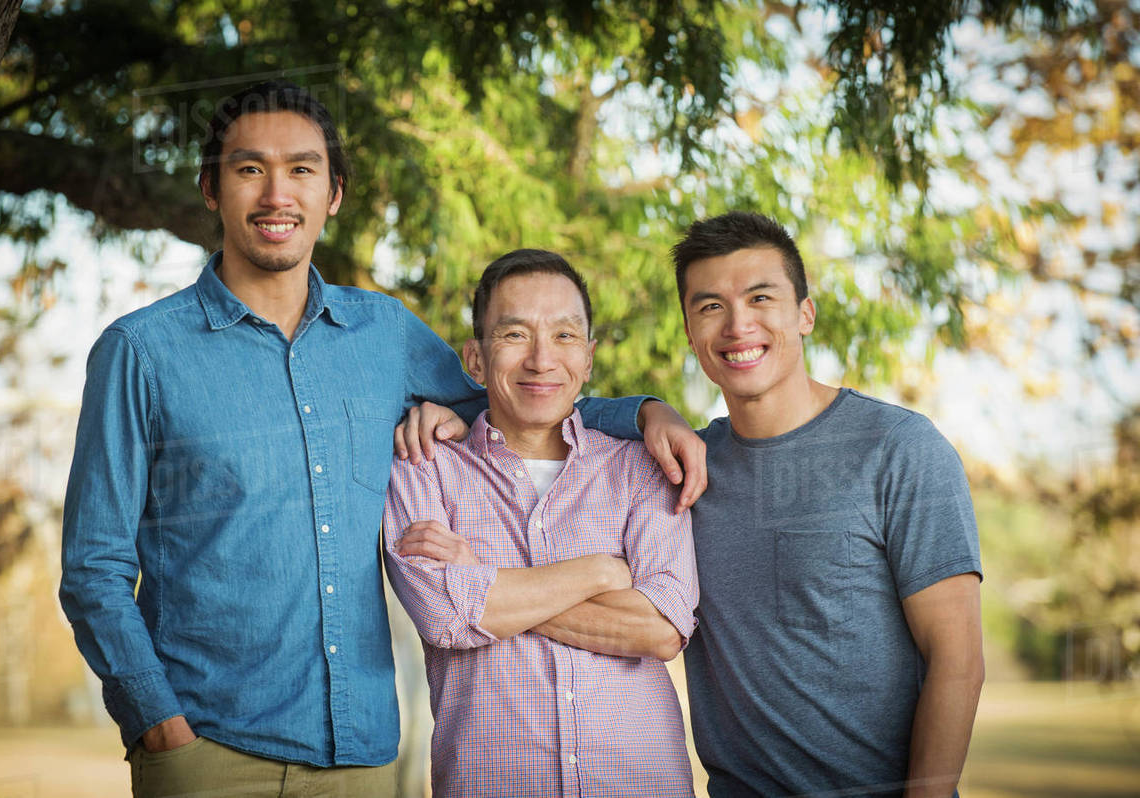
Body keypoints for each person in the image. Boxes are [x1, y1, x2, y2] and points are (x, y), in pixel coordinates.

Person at [58, 80, 705, 798]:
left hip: (359, 755)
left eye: (303, 169)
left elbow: (529, 392)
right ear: (211, 187)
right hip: (208, 747)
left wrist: (645, 413)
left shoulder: (384, 333)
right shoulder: (141, 353)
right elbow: (94, 567)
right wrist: (158, 722)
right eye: (250, 169)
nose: (278, 194)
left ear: (334, 193)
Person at [673, 211, 985, 797]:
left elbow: (958, 660)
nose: (738, 325)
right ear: (690, 332)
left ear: (805, 314)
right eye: (710, 306)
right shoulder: (686, 467)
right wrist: (644, 408)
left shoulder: (900, 448)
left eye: (761, 297)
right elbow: (553, 408)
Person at [383, 249, 699, 797]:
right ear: (476, 360)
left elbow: (661, 630)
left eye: (564, 336)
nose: (541, 360)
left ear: (590, 357)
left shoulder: (640, 467)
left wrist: (483, 578)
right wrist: (602, 572)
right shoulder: (422, 465)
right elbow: (447, 617)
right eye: (514, 335)